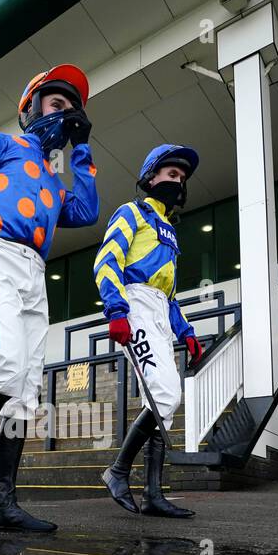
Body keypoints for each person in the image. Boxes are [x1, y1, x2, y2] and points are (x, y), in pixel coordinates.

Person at [0, 64, 99, 532]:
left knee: (25, 394)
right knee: (5, 367)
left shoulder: (53, 177)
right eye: (56, 104)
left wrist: (82, 148)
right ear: (30, 108)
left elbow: (87, 211)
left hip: (34, 272)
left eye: (72, 111)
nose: (64, 115)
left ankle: (3, 503)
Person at [97, 144, 204, 517]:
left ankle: (154, 495)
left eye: (182, 178)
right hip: (134, 304)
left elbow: (169, 295)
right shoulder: (132, 212)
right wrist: (116, 310)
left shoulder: (171, 233)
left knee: (164, 405)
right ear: (151, 177)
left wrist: (186, 332)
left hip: (159, 309)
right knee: (164, 393)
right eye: (172, 175)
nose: (178, 182)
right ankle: (118, 470)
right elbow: (106, 260)